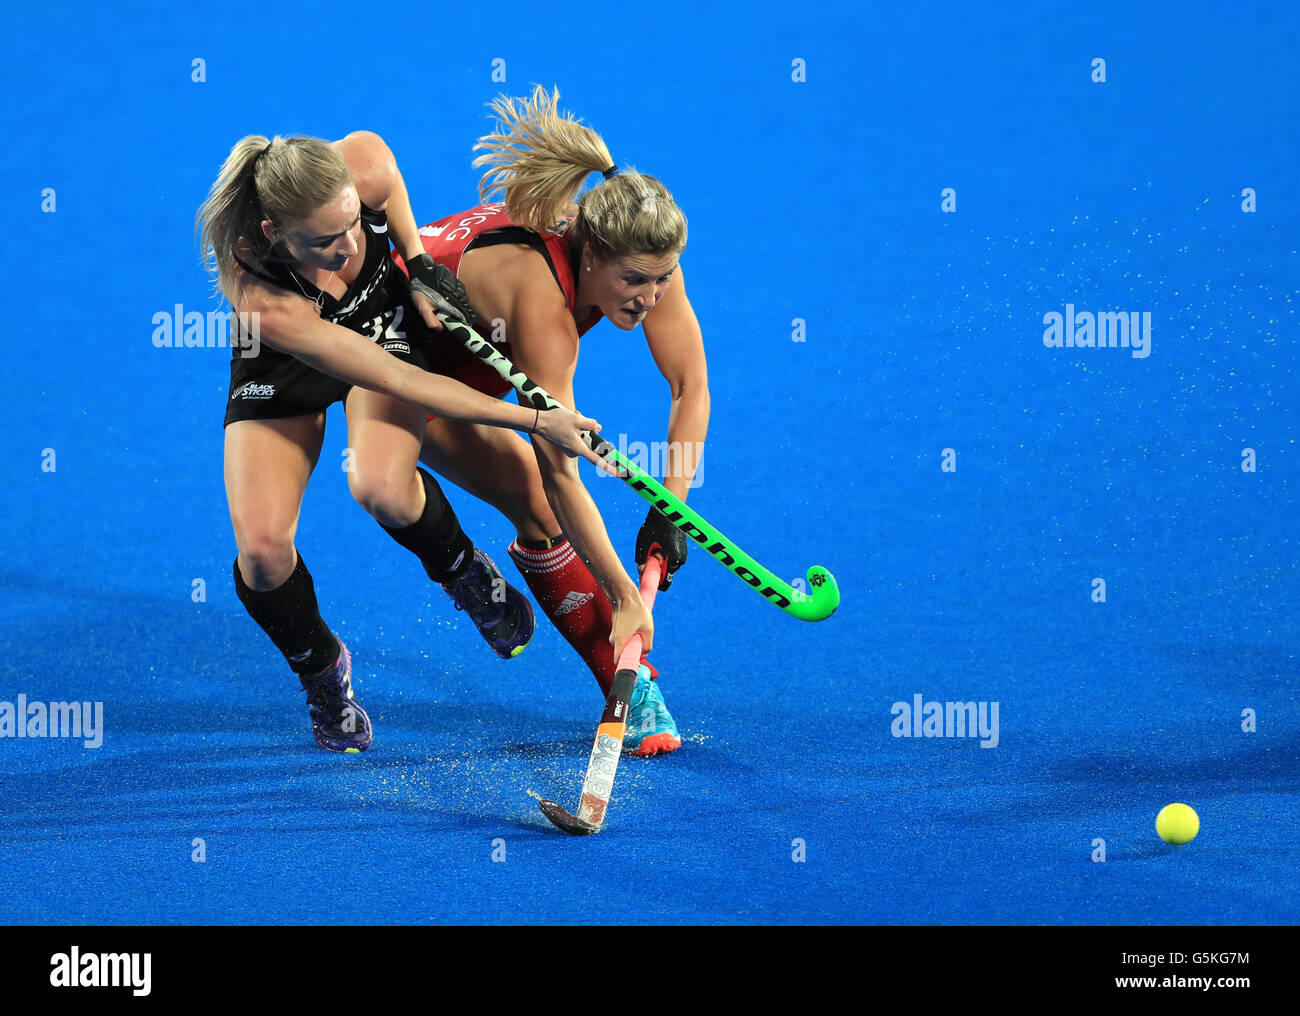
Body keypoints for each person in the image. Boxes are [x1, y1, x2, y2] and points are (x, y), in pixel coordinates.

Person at [196, 131, 609, 753]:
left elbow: (388, 185)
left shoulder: (359, 165)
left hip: (382, 325)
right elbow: (398, 379)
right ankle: (320, 669)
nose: (349, 245)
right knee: (260, 551)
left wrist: (417, 265)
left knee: (381, 486)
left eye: (352, 227)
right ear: (274, 229)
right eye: (324, 241)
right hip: (287, 361)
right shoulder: (262, 299)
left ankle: (463, 571)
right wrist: (534, 421)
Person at [397, 87, 710, 757]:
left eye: (662, 280)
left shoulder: (647, 256)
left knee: (546, 494)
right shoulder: (543, 304)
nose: (650, 298)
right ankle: (619, 678)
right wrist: (625, 592)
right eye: (635, 283)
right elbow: (560, 468)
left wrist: (670, 513)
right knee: (537, 500)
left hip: (485, 350)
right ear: (591, 255)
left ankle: (616, 658)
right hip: (404, 358)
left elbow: (690, 388)